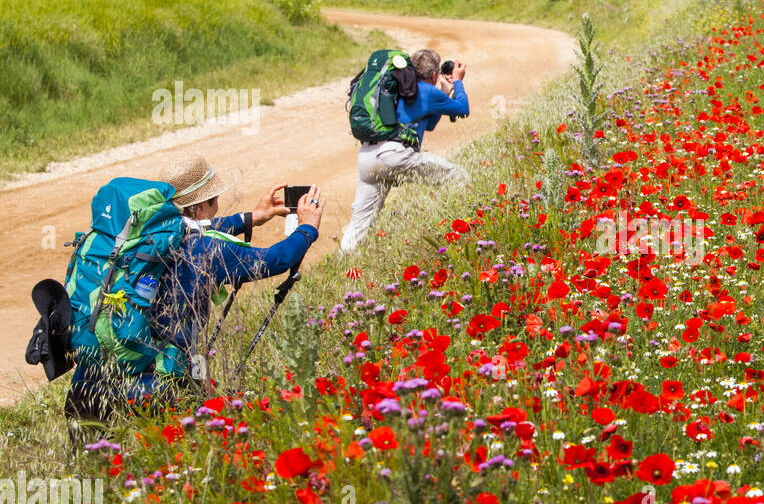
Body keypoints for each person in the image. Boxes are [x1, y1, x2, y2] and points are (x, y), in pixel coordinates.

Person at [64, 154, 325, 433]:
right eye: (214, 200)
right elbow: (275, 259)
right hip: (155, 389)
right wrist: (307, 228)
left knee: (94, 467)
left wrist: (251, 218)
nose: (217, 205)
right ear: (201, 205)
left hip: (90, 382)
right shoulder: (207, 251)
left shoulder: (141, 238)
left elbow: (196, 230)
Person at [340, 48, 469, 252]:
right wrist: (459, 81)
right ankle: (463, 230)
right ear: (434, 75)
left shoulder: (399, 88)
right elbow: (463, 109)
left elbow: (428, 124)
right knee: (459, 177)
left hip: (368, 155)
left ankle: (345, 265)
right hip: (394, 155)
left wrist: (444, 92)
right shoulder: (427, 91)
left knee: (359, 225)